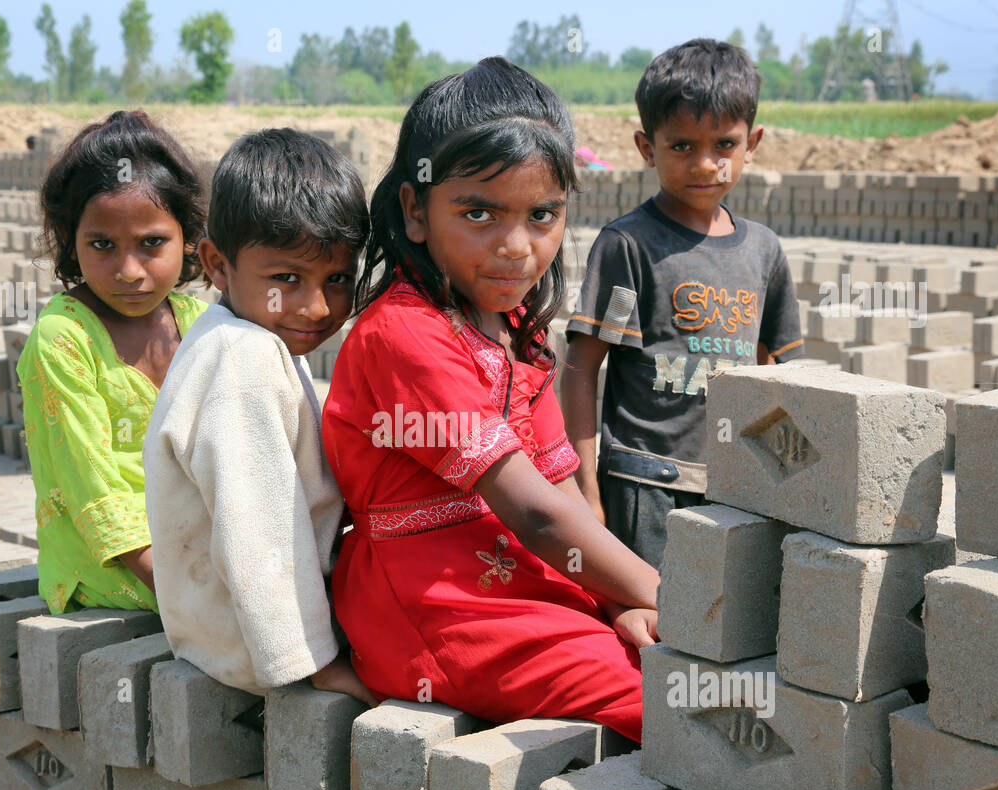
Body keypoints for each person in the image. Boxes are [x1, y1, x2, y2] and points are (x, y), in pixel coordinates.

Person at [322, 57, 660, 743]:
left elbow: (565, 496)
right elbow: (535, 513)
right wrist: (672, 598)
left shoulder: (515, 333)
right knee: (668, 704)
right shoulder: (404, 336)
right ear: (416, 211)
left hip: (523, 586)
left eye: (543, 215)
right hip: (437, 608)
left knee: (656, 651)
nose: (515, 248)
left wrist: (619, 600)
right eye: (478, 213)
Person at [144, 129, 376, 705]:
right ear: (218, 265)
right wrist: (316, 664)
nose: (316, 307)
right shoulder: (240, 357)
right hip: (248, 646)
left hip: (228, 631)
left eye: (338, 280)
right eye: (287, 280)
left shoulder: (244, 332)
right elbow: (257, 532)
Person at [561, 38, 804, 569]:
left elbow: (778, 370)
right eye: (681, 147)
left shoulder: (764, 250)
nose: (705, 163)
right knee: (654, 631)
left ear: (752, 143)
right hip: (644, 485)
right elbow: (580, 369)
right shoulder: (629, 245)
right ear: (647, 148)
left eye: (724, 145)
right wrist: (585, 489)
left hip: (735, 485)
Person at [17, 109, 208, 614]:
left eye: (151, 244)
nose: (129, 272)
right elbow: (92, 490)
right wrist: (185, 592)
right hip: (113, 566)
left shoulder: (197, 321)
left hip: (191, 546)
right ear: (69, 240)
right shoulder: (63, 340)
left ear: (188, 236)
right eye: (103, 245)